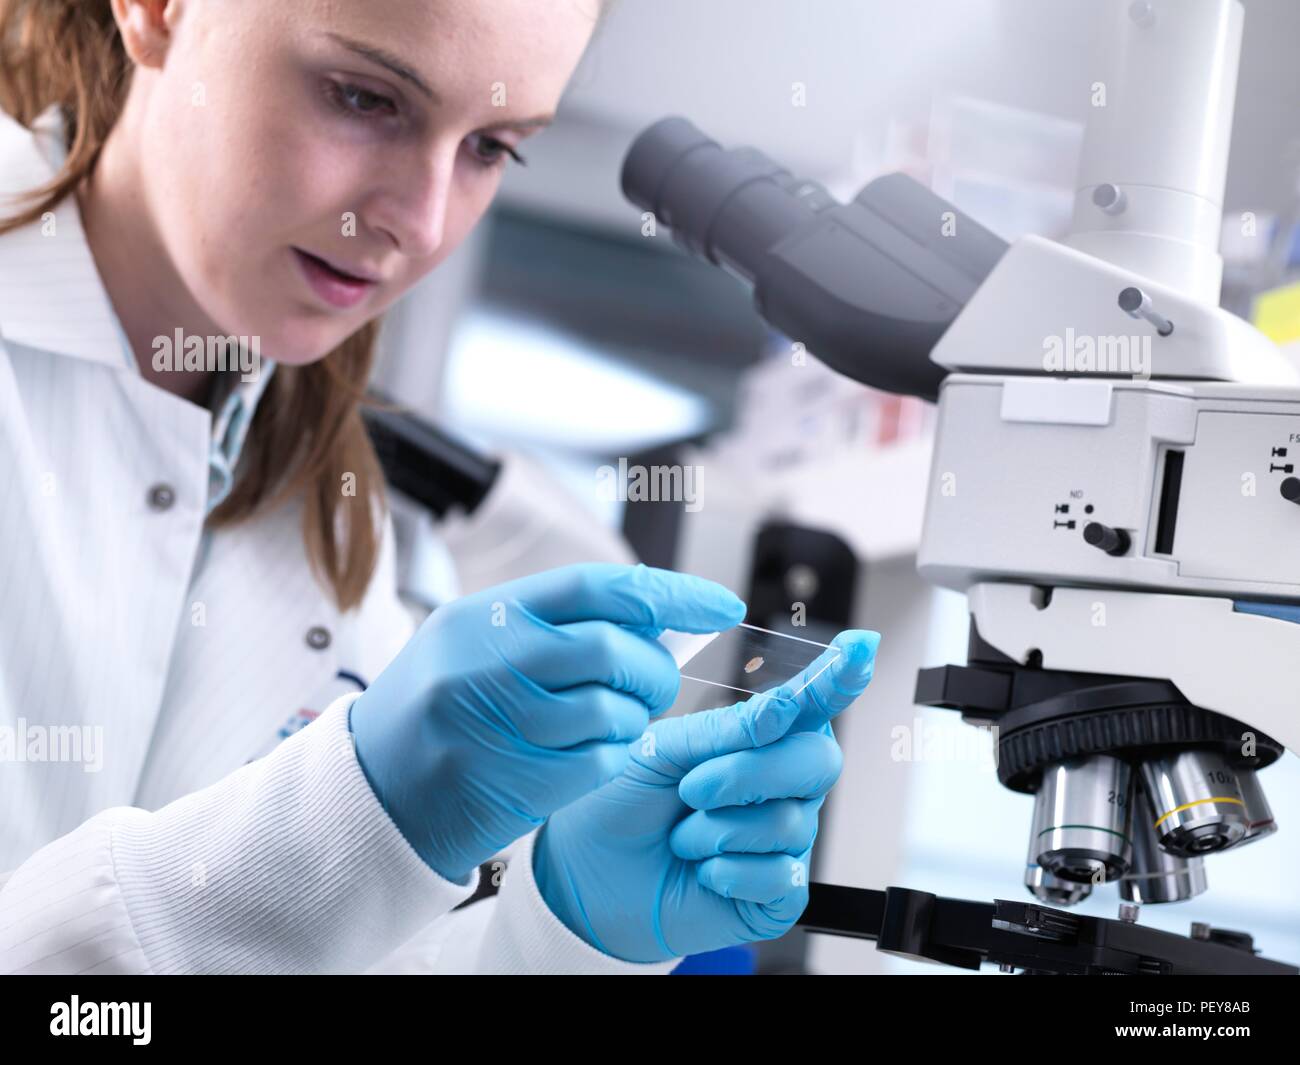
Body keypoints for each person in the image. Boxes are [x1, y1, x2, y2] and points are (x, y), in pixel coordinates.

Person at [0, 0, 880, 974]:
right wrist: (355, 811)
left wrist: (563, 931)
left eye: (492, 147)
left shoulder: (331, 519)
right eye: (362, 97)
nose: (418, 222)